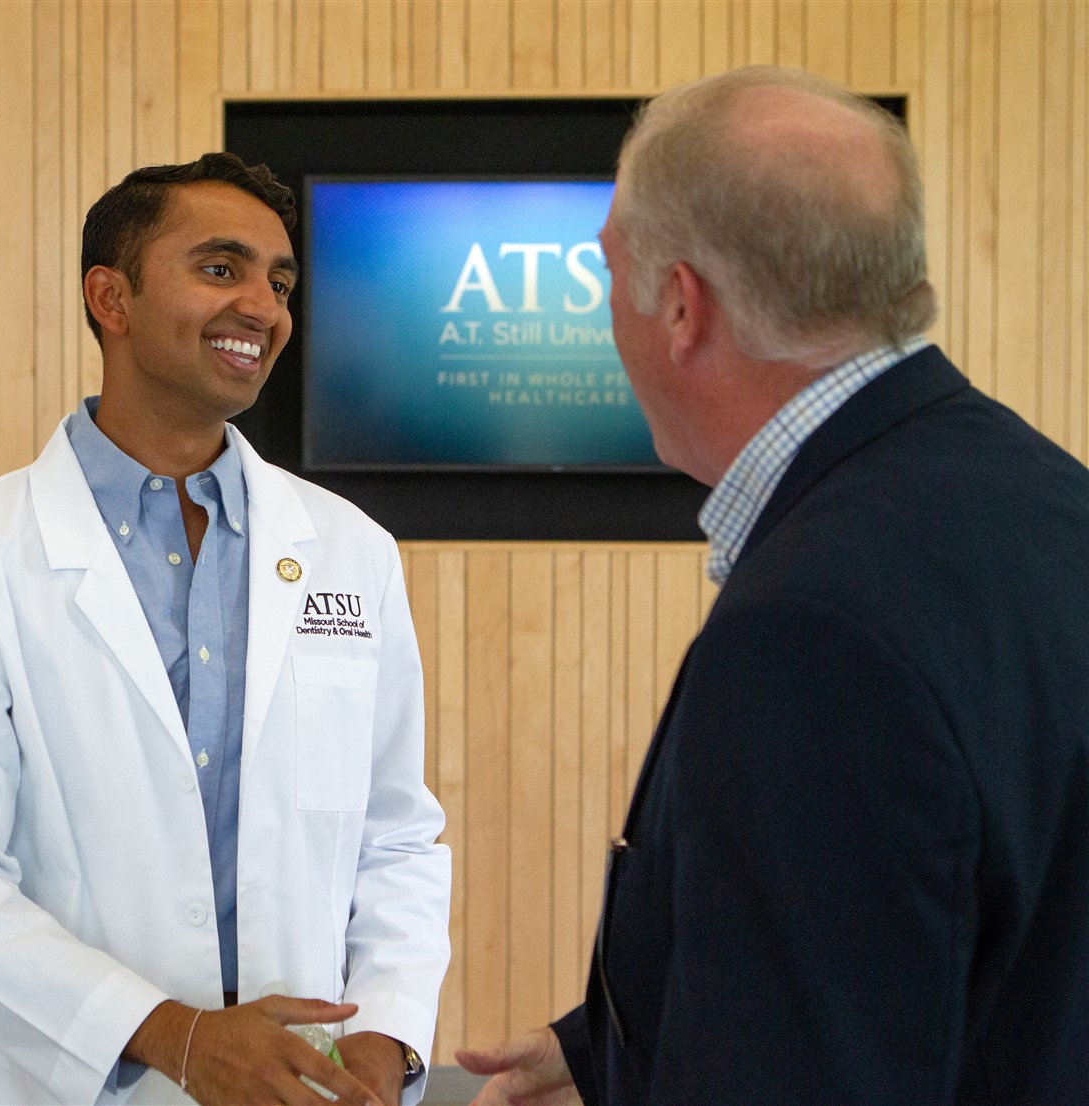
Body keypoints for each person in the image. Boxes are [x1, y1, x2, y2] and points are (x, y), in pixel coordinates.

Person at [457, 66, 1089, 1105]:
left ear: (679, 307)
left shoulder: (813, 631)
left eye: (605, 272)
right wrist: (620, 1043)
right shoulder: (1041, 502)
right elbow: (941, 939)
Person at [0, 154, 450, 1106]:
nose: (265, 309)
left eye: (279, 282)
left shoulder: (351, 551)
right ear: (111, 297)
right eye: (221, 269)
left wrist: (387, 1040)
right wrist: (178, 1040)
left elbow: (395, 839)